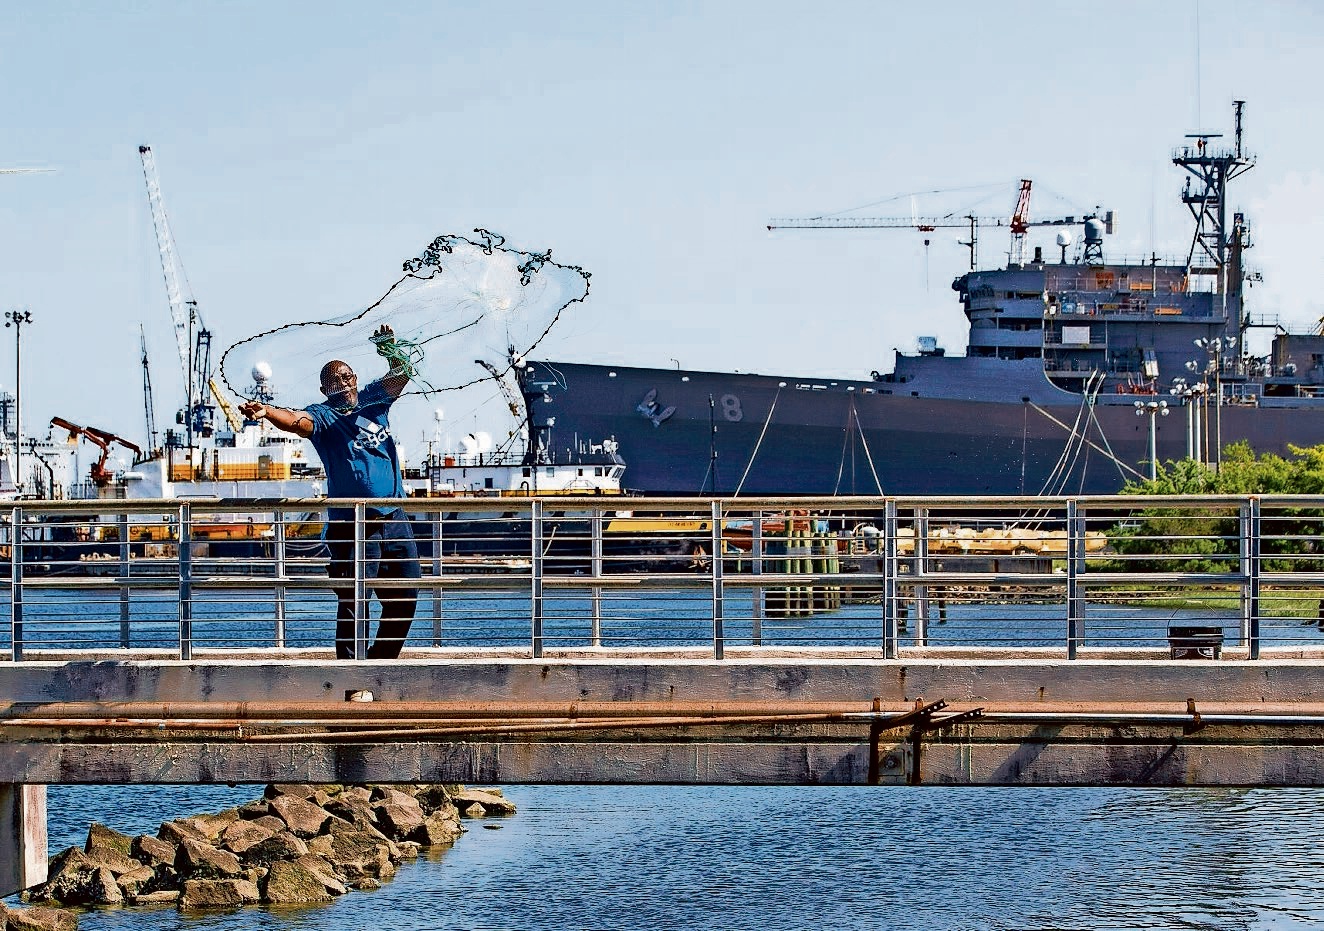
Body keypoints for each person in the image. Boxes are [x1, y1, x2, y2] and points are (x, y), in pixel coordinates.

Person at [239, 324, 420, 659]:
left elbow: (404, 372)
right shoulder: (324, 416)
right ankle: (353, 681)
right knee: (355, 603)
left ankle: (379, 666)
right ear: (325, 388)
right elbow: (295, 420)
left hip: (394, 518)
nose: (345, 382)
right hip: (350, 525)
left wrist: (389, 347)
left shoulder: (374, 400)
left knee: (406, 596)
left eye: (348, 375)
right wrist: (266, 412)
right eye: (336, 379)